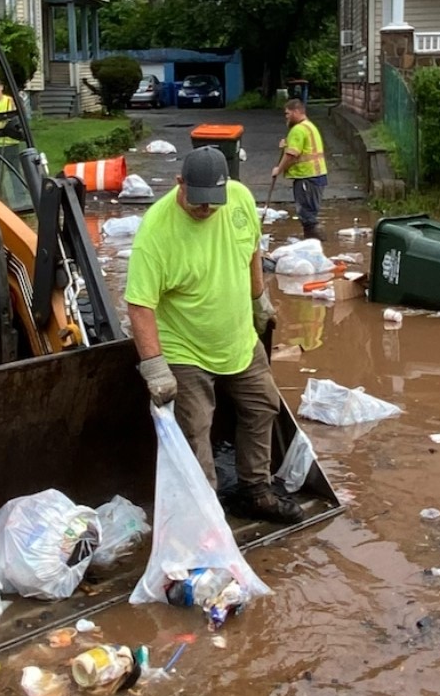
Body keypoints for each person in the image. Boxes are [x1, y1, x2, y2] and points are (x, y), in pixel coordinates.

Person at [127, 148, 304, 524]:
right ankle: (205, 518)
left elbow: (252, 248)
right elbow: (140, 305)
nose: (206, 209)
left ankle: (255, 491)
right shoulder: (156, 233)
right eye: (198, 201)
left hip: (238, 337)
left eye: (213, 202)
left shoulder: (238, 199)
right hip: (186, 348)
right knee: (195, 431)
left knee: (263, 407)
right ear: (180, 184)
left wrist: (259, 299)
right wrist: (156, 368)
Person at [271, 99, 328, 240]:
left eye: (288, 113)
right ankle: (314, 242)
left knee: (306, 214)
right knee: (310, 211)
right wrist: (285, 146)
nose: (286, 117)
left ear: (296, 111)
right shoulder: (309, 126)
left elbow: (292, 154)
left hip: (306, 176)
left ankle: (315, 242)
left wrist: (278, 169)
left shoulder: (297, 129)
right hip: (316, 175)